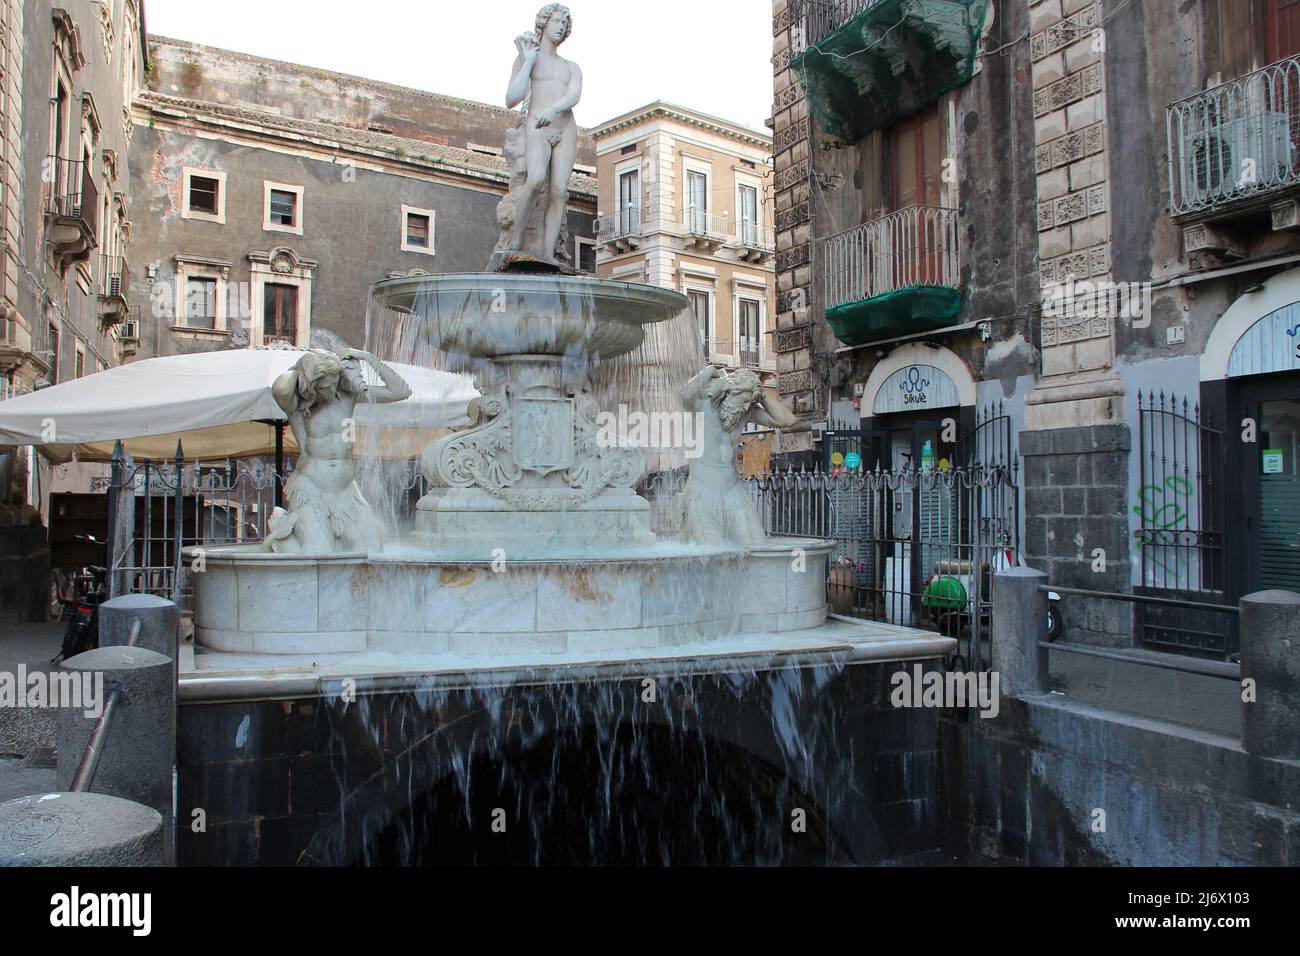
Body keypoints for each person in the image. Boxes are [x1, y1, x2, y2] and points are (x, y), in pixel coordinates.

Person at [264, 349, 410, 554]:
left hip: (346, 491)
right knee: (317, 551)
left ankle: (290, 532)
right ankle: (284, 535)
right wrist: (305, 366)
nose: (332, 390)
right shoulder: (298, 405)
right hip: (311, 488)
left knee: (371, 546)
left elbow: (401, 391)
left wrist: (367, 358)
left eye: (335, 382)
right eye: (326, 386)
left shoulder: (347, 396)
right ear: (312, 384)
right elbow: (280, 387)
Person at [677, 365, 797, 547]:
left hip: (733, 491)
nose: (746, 406)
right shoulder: (702, 404)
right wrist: (710, 370)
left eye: (750, 402)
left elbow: (787, 421)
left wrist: (762, 394)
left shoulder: (745, 412)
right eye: (744, 400)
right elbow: (684, 395)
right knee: (709, 553)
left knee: (756, 546)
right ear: (732, 391)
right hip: (703, 490)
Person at [504, 3, 582, 262]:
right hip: (537, 124)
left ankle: (548, 255)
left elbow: (574, 95)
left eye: (564, 23)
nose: (561, 27)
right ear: (544, 23)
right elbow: (511, 98)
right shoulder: (527, 58)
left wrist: (555, 108)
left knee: (559, 190)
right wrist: (527, 62)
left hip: (564, 127)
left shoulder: (571, 67)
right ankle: (516, 238)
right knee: (536, 179)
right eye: (557, 21)